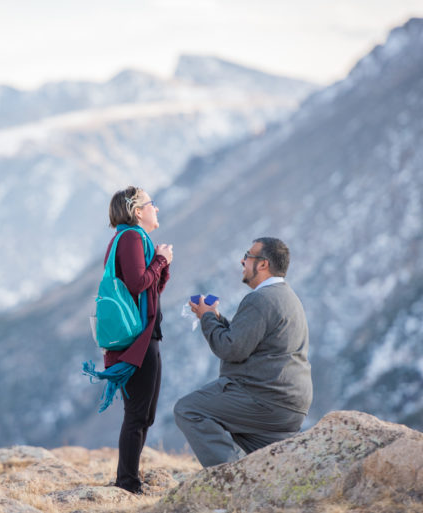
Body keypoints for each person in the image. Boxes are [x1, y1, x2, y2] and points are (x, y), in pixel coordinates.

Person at [174, 237, 311, 467]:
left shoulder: (260, 299)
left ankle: (232, 480)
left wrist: (207, 317)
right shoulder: (286, 296)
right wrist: (216, 319)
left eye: (248, 256)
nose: (242, 260)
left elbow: (230, 348)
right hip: (290, 404)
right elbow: (247, 338)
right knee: (275, 462)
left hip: (263, 398)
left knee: (188, 409)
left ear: (263, 264)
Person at [88, 186, 173, 494]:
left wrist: (161, 264)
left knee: (144, 413)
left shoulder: (131, 239)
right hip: (138, 339)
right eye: (152, 204)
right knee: (138, 413)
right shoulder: (132, 238)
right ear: (138, 212)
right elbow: (138, 283)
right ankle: (127, 484)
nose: (156, 209)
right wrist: (161, 260)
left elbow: (147, 293)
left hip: (144, 334)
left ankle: (129, 479)